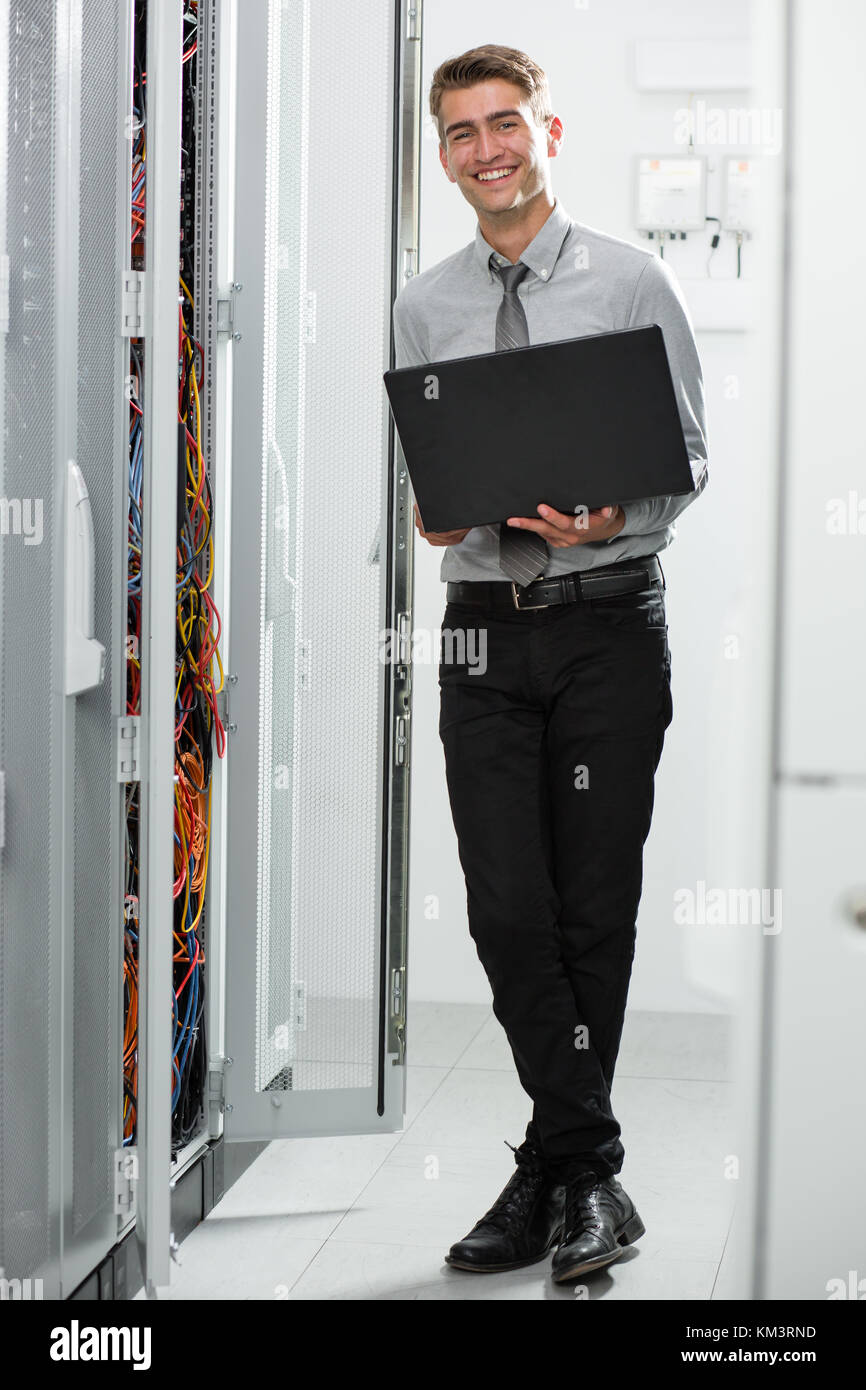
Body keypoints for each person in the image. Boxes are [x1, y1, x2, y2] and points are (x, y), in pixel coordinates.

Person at [392, 43, 708, 1284]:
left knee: (591, 907)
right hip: (479, 622)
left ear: (547, 132)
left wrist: (607, 521)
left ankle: (551, 1169)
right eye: (462, 130)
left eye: (504, 121)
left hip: (607, 619)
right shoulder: (423, 306)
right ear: (445, 153)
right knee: (505, 904)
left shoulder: (631, 284)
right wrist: (439, 506)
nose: (487, 148)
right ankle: (583, 1170)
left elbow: (683, 456)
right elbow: (436, 466)